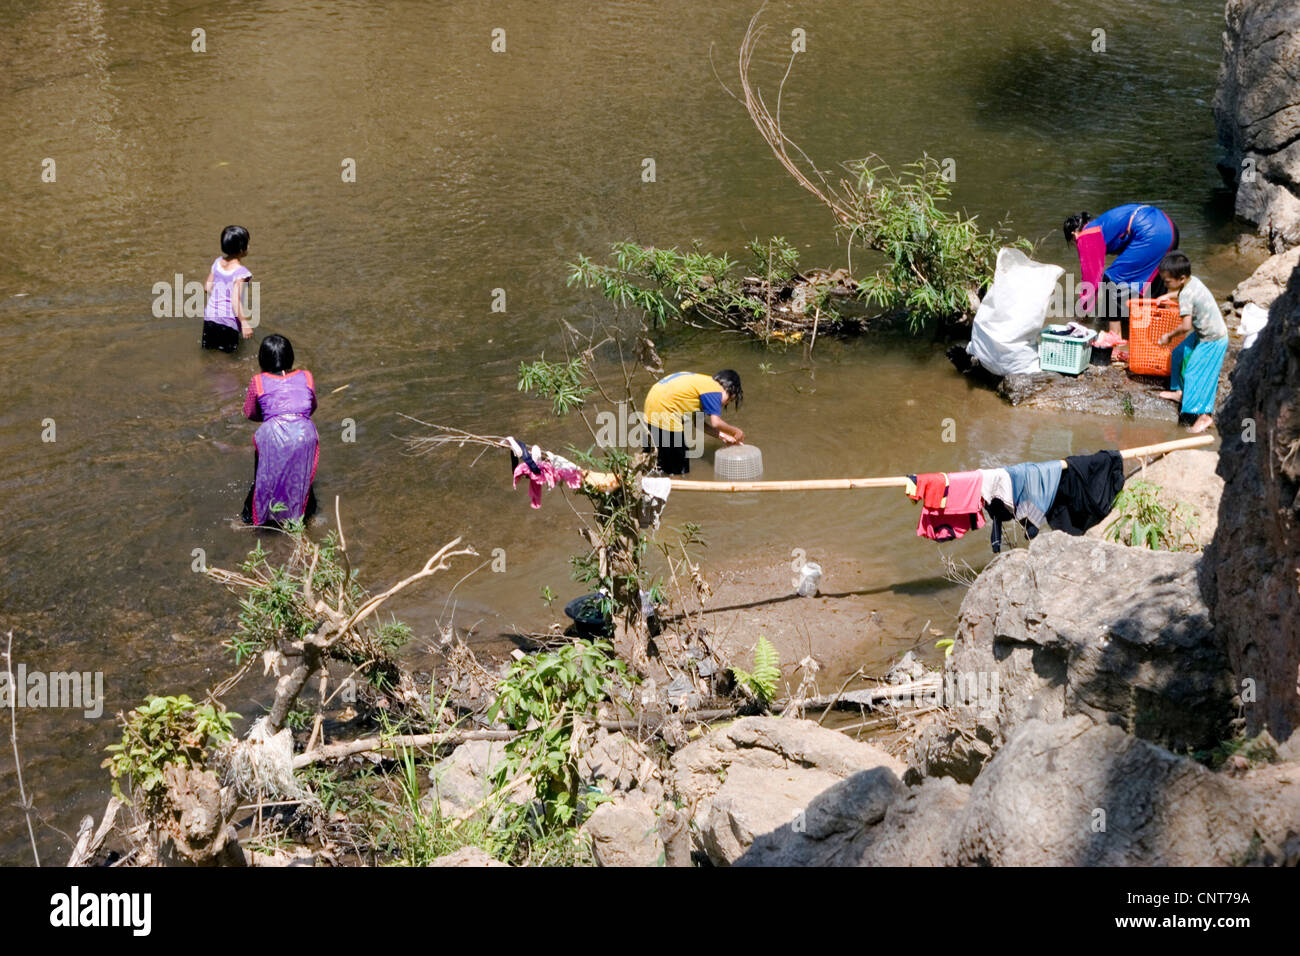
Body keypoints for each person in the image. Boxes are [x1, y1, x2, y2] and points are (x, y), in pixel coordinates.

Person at [1063, 204, 1179, 336]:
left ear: (1074, 234)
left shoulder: (1086, 235)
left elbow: (1091, 280)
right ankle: (1160, 336)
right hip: (1169, 226)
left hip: (1150, 232)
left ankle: (1114, 339)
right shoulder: (1103, 224)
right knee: (1153, 289)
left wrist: (1081, 314)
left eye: (1073, 242)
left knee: (1111, 281)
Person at [241, 334, 319, 525]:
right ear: (290, 357)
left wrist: (271, 416)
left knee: (263, 480)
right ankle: (308, 517)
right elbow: (312, 406)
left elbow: (249, 412)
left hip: (272, 433)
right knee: (304, 478)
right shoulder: (307, 376)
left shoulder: (258, 381)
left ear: (262, 360)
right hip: (304, 433)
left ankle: (250, 520)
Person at [1153, 252, 1229, 434]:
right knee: (1179, 354)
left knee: (1194, 372)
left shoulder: (1186, 294)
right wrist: (1168, 296)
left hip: (1213, 339)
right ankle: (1179, 392)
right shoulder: (1191, 281)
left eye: (1167, 281)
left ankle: (1201, 415)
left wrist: (1168, 336)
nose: (1164, 284)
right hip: (1204, 332)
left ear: (1181, 278)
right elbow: (1182, 292)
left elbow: (1186, 326)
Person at [641, 370, 744, 475]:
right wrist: (736, 431)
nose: (723, 404)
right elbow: (716, 422)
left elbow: (699, 425)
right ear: (730, 389)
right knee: (680, 471)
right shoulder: (715, 390)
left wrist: (724, 436)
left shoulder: (701, 386)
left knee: (655, 464)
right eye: (729, 400)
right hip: (665, 411)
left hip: (649, 410)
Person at [202, 225, 254, 352]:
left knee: (210, 351)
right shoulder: (241, 273)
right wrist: (244, 322)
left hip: (210, 317)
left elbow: (206, 287)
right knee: (230, 358)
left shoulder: (217, 262)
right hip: (227, 321)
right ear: (242, 249)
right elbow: (234, 300)